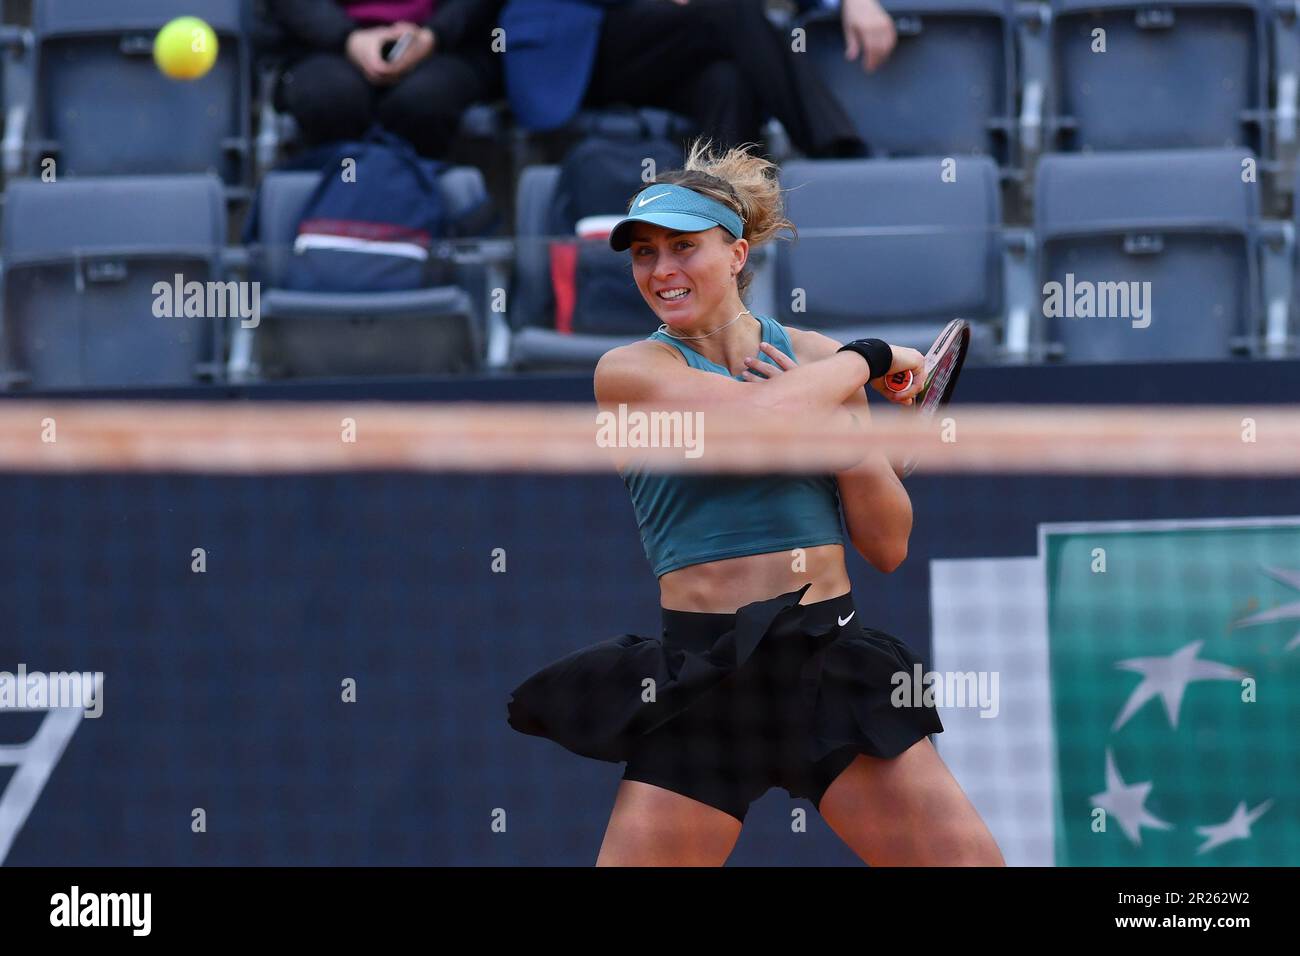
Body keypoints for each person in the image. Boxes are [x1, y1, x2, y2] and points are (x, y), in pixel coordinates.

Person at [507, 138, 1006, 866]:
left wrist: (843, 435)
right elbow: (760, 418)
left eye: (684, 247)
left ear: (737, 254)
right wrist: (868, 358)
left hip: (826, 665)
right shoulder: (631, 371)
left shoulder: (812, 360)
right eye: (644, 254)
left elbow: (888, 545)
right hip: (706, 684)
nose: (662, 270)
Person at [500, 0, 874, 157]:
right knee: (728, 10)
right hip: (582, 46)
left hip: (675, 47)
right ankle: (835, 151)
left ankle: (723, 223)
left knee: (728, 81)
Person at [264, 0, 505, 158]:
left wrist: (434, 35)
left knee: (423, 102)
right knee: (329, 98)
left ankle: (414, 209)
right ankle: (339, 208)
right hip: (321, 45)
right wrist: (347, 39)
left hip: (445, 46)